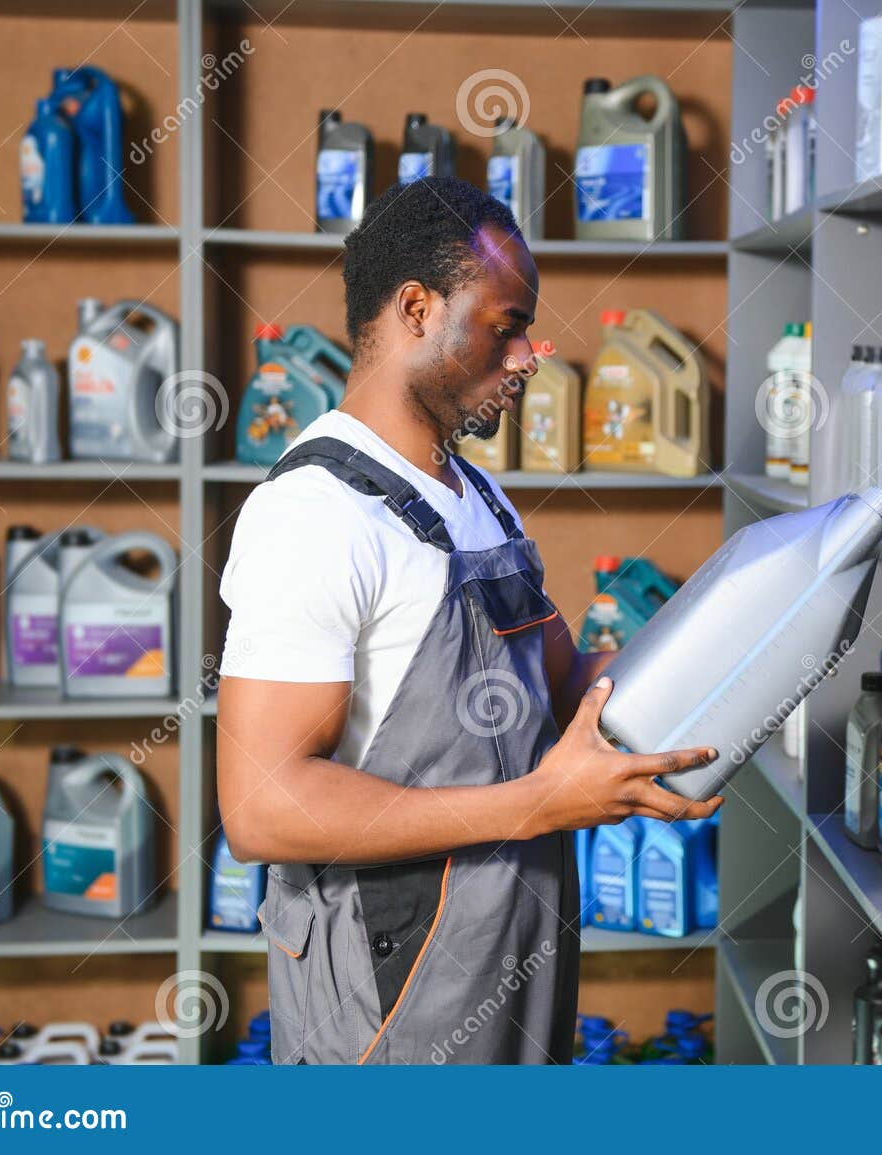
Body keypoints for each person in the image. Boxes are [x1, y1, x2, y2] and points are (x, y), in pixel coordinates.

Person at [215, 177, 721, 1065]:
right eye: (507, 325)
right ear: (416, 308)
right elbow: (264, 806)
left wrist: (729, 650)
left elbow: (562, 681)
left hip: (513, 965)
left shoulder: (476, 494)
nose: (531, 354)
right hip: (390, 999)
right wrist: (536, 805)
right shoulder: (317, 513)